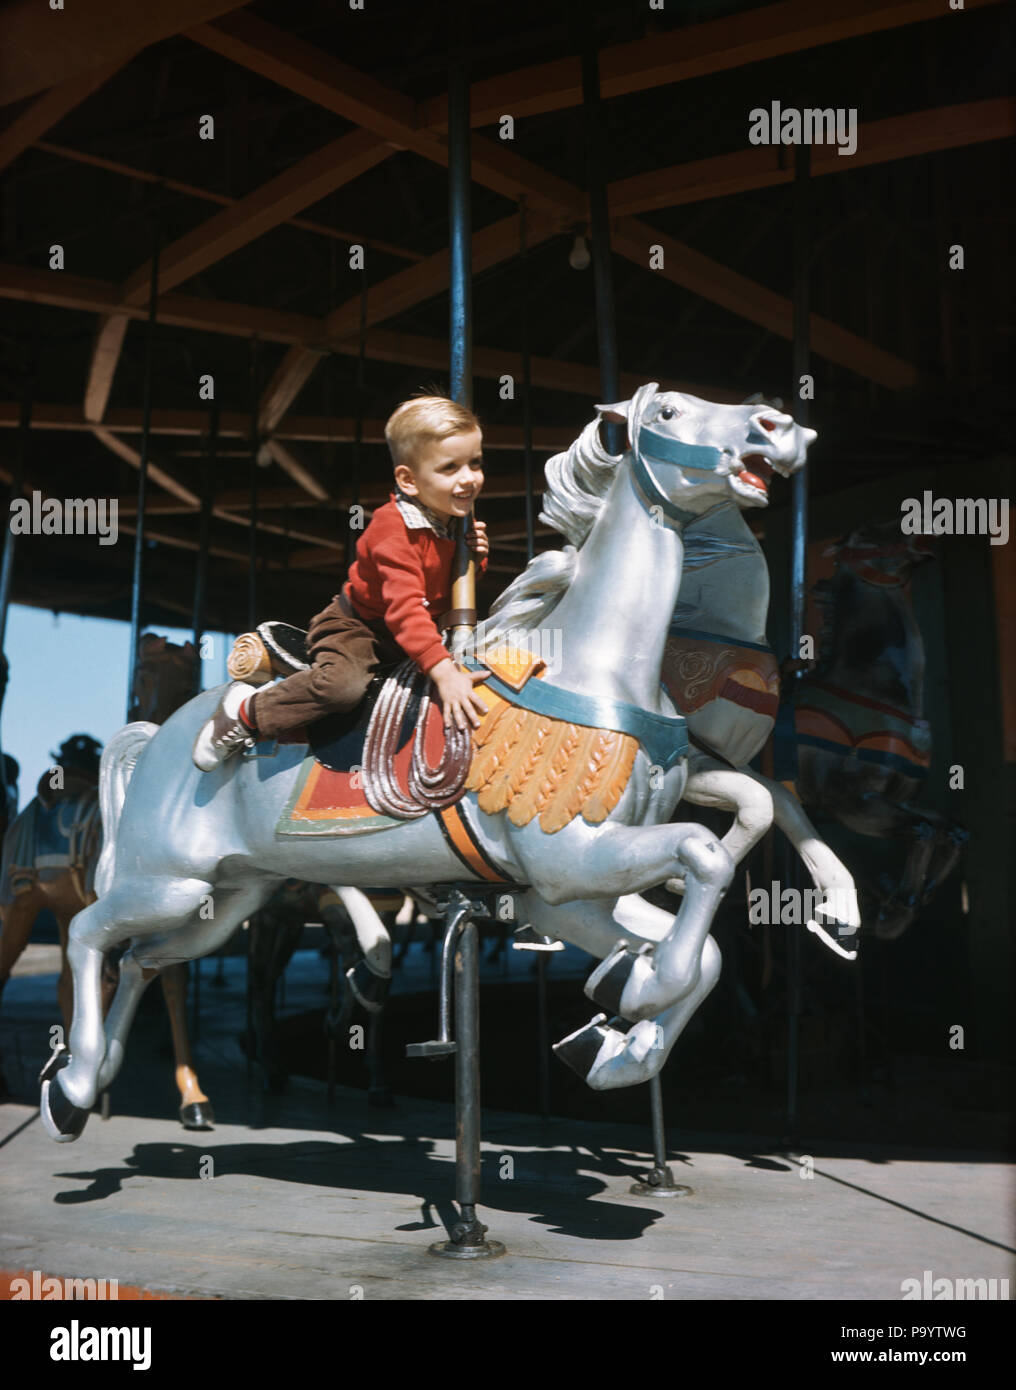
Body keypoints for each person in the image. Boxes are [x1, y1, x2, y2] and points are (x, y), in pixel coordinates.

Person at [193, 395, 490, 771]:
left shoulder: (453, 519)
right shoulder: (392, 527)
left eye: (475, 463)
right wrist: (443, 671)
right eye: (450, 468)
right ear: (408, 480)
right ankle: (246, 714)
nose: (468, 478)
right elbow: (404, 608)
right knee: (341, 689)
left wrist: (475, 559)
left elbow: (443, 590)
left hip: (415, 633)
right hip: (359, 628)